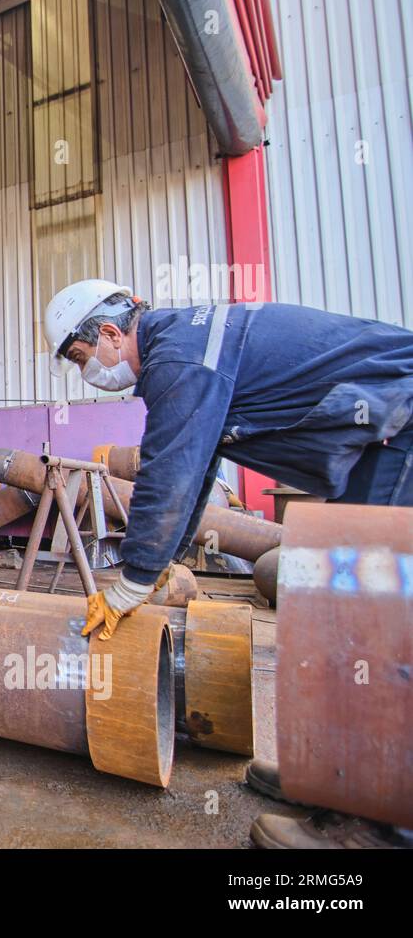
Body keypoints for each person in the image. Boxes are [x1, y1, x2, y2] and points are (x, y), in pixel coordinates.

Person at [44, 279, 413, 848]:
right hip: (382, 440)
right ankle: (335, 774)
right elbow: (195, 470)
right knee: (334, 606)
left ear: (112, 333)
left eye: (81, 356)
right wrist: (161, 565)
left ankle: (382, 824)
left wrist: (133, 579)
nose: (87, 371)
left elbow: (167, 469)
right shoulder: (192, 346)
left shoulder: (179, 358)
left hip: (401, 432)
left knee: (379, 625)